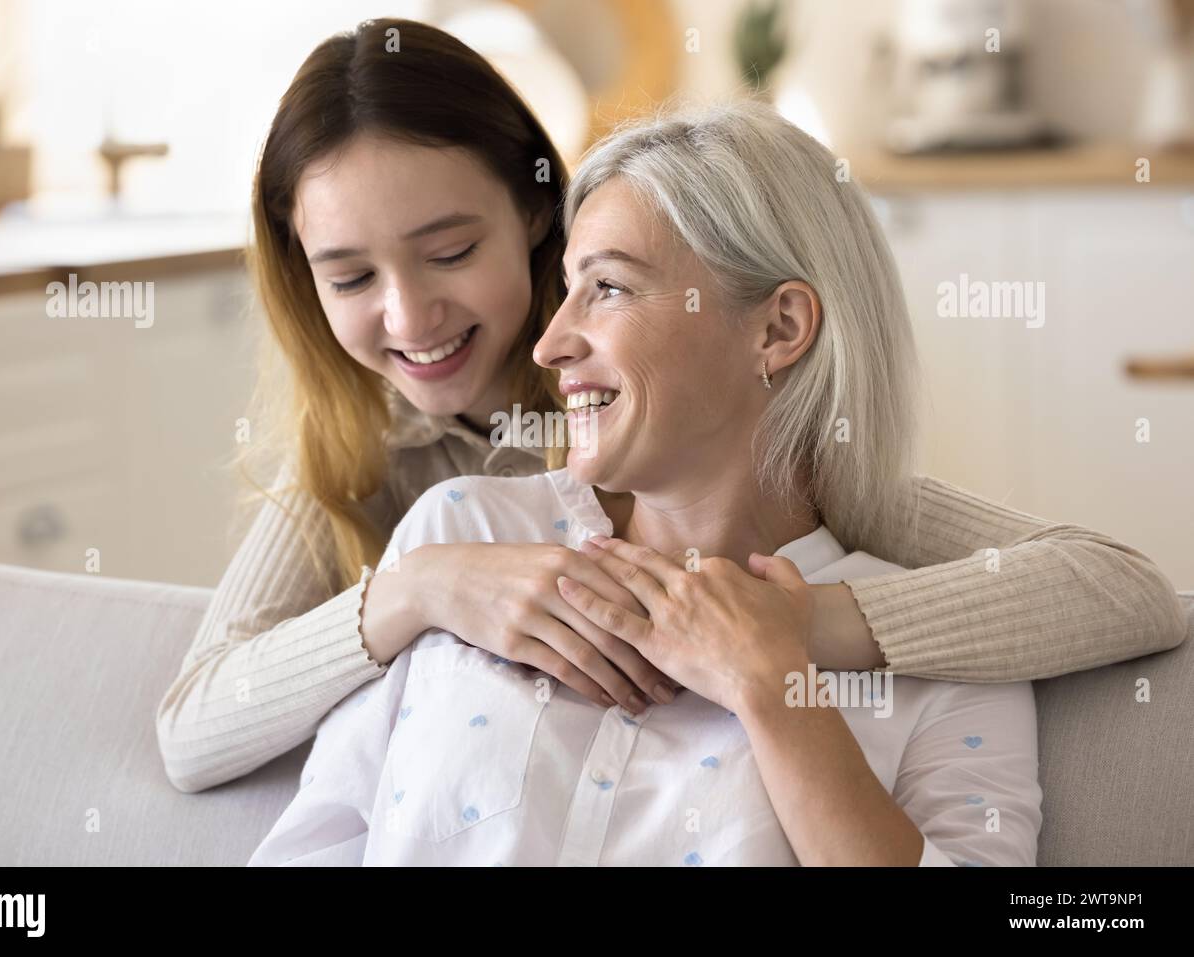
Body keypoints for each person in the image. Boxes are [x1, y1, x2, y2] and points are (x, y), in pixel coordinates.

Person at [156, 18, 1185, 796]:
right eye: (348, 277)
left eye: (450, 252)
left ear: (534, 220)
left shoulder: (677, 433)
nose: (409, 314)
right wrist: (418, 589)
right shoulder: (367, 456)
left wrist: (778, 629)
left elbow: (1120, 590)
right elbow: (192, 729)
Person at [249, 101, 1040, 865]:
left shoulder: (947, 668)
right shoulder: (460, 535)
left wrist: (773, 690)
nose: (551, 343)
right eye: (568, 290)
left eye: (611, 288)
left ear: (779, 328)